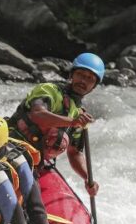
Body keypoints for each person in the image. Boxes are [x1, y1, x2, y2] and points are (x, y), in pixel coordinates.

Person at [7, 52, 104, 197]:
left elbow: (74, 152)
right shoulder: (49, 90)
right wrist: (72, 121)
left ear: (94, 86)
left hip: (35, 160)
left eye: (90, 79)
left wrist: (87, 178)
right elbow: (37, 114)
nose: (84, 80)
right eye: (81, 74)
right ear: (71, 75)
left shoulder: (79, 113)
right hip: (11, 146)